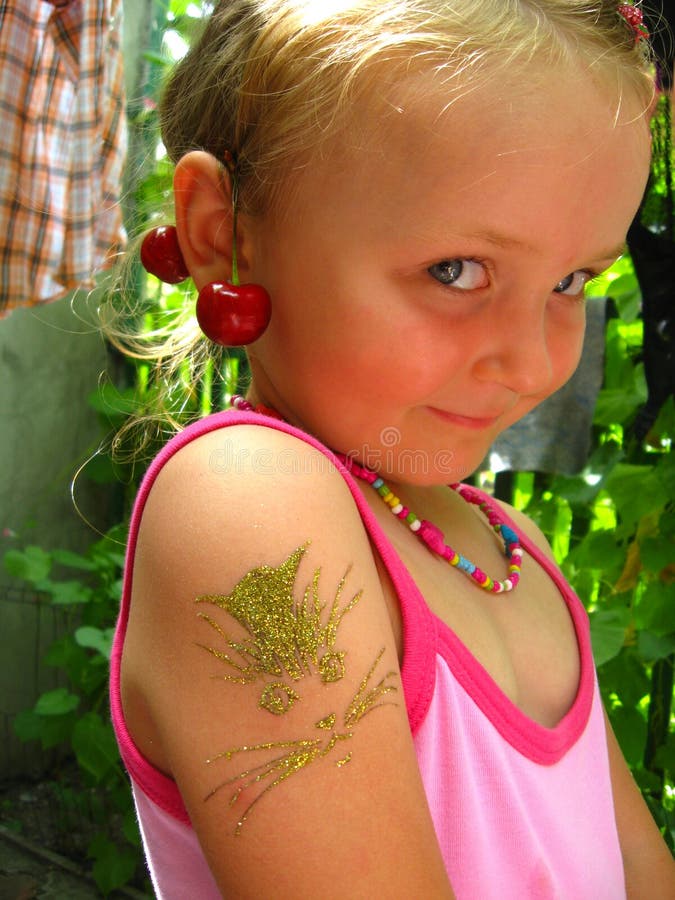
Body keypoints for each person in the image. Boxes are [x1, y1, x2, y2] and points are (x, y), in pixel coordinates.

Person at [109, 1, 675, 896]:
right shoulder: (249, 499)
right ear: (224, 232)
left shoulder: (510, 551)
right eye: (455, 271)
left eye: (570, 281)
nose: (532, 361)